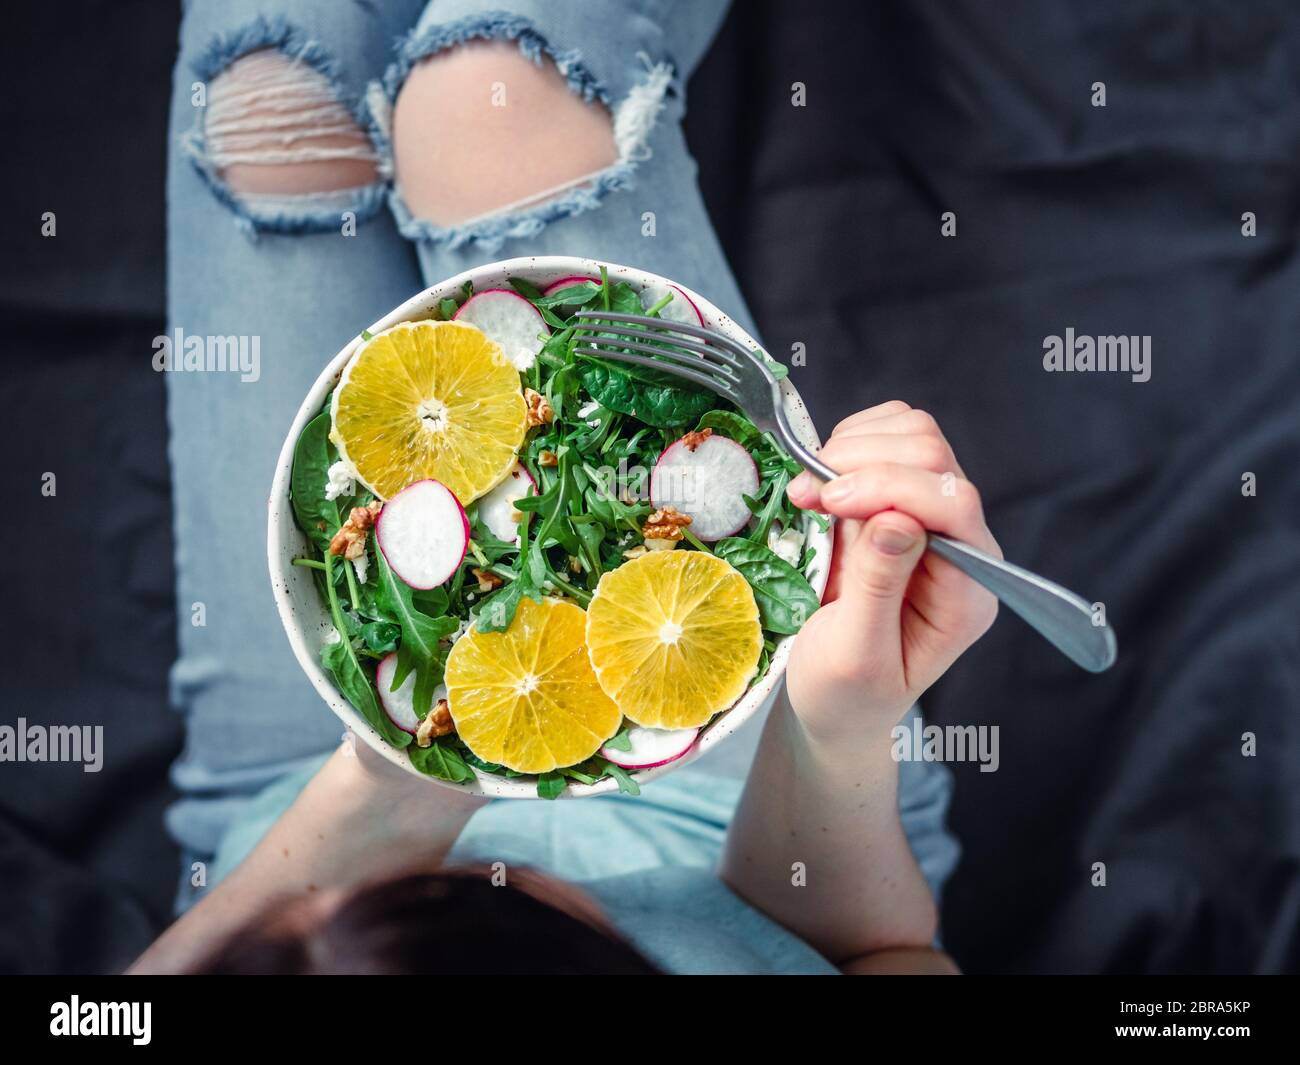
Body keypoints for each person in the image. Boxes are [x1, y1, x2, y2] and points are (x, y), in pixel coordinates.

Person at [146, 0, 999, 974]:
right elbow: (895, 959)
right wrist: (834, 726)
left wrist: (406, 773)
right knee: (492, 87)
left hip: (299, 805)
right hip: (730, 794)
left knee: (266, 62)